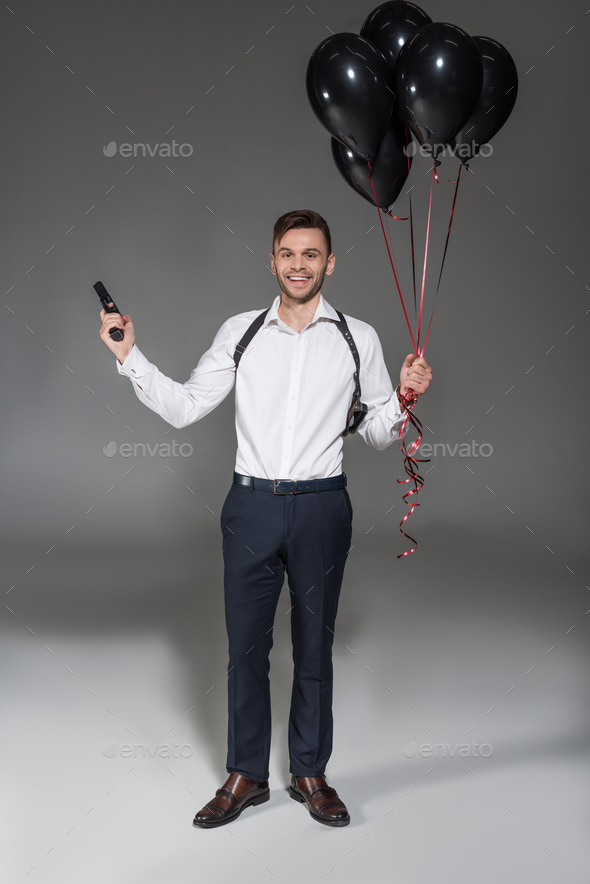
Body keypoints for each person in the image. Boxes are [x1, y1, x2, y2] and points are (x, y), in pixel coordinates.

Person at [99, 209, 432, 829]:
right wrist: (130, 356)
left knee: (315, 647)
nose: (299, 265)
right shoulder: (241, 332)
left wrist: (407, 394)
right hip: (250, 508)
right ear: (272, 260)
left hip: (322, 507)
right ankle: (247, 774)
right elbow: (186, 406)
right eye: (288, 253)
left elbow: (384, 433)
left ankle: (309, 772)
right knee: (245, 650)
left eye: (312, 254)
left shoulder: (358, 337)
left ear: (329, 263)